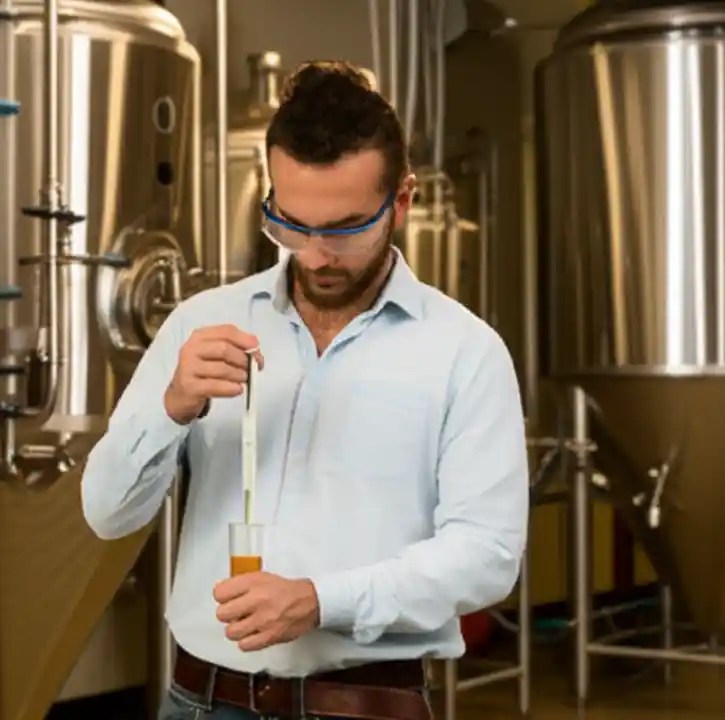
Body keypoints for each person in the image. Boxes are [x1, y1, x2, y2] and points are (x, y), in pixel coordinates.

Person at [80, 59, 529, 720]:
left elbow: (487, 558)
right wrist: (171, 407)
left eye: (344, 228)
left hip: (364, 704)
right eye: (289, 224)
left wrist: (323, 599)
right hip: (200, 702)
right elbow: (106, 513)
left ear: (401, 201)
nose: (314, 255)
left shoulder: (464, 352)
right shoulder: (203, 324)